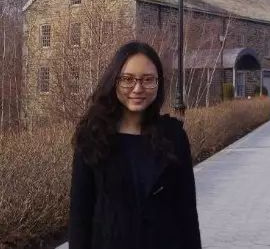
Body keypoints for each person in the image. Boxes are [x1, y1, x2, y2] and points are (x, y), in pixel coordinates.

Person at [69, 41, 202, 249]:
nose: (138, 88)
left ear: (158, 83)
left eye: (148, 79)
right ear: (114, 80)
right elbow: (80, 217)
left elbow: (186, 214)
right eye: (128, 79)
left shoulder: (173, 137)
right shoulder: (93, 138)